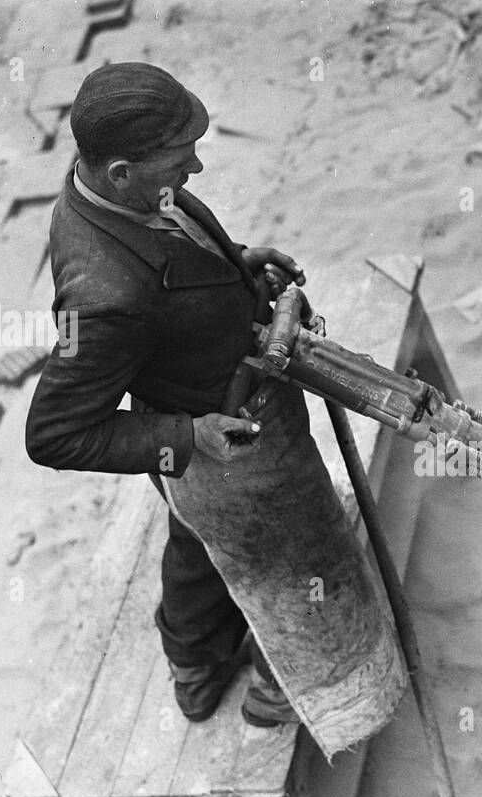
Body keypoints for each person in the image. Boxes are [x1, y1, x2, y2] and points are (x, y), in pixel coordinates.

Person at [25, 61, 305, 727]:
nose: (197, 170)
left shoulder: (112, 191)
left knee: (197, 537)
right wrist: (190, 437)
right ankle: (272, 689)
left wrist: (237, 263)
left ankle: (195, 661)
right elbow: (55, 433)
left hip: (212, 403)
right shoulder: (102, 301)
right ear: (121, 171)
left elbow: (172, 255)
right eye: (182, 159)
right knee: (278, 554)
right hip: (217, 441)